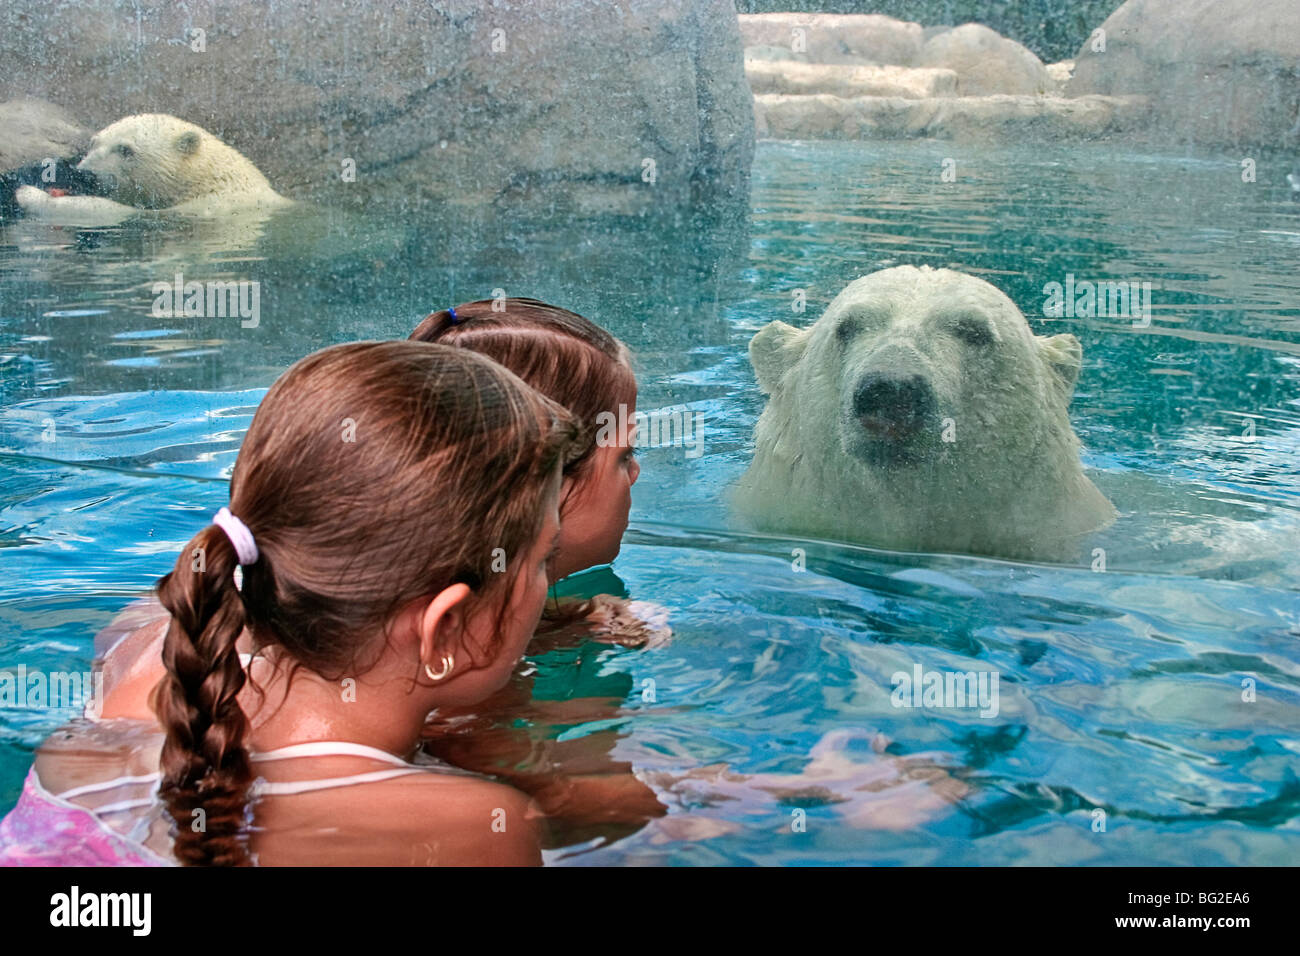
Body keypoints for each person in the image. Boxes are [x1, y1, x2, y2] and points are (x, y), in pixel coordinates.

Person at [0, 340, 579, 865]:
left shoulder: (145, 654)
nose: (547, 584)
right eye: (544, 561)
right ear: (444, 627)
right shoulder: (477, 827)